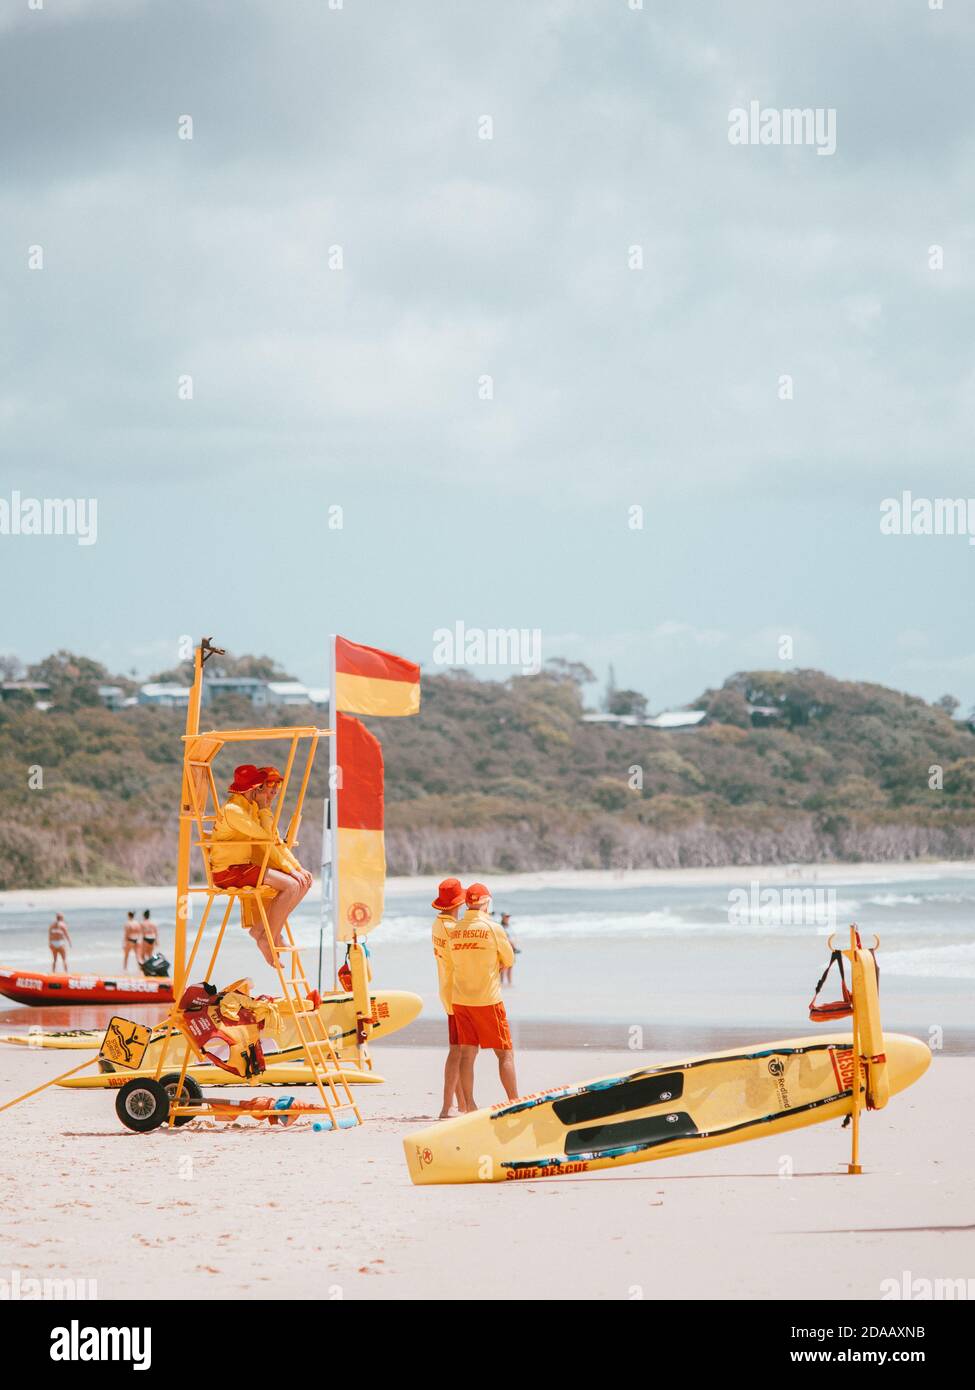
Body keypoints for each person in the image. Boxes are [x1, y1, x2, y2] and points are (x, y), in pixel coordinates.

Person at [208, 764, 312, 965]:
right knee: (292, 885)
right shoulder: (235, 809)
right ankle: (266, 937)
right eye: (264, 785)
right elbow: (266, 839)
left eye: (274, 786)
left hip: (241, 867)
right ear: (254, 788)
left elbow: (273, 843)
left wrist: (296, 867)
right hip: (229, 871)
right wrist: (265, 809)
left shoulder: (247, 807)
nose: (268, 790)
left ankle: (263, 932)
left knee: (301, 883)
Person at [445, 882, 518, 1108]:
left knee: (468, 1054)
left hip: (460, 1000)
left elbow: (451, 962)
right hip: (487, 999)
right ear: (486, 903)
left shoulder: (454, 929)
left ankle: (469, 1105)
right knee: (505, 1054)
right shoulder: (493, 928)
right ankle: (514, 1102)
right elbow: (510, 959)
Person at [430, 877, 468, 1118]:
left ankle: (461, 1104)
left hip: (447, 990)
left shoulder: (438, 924)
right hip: (457, 993)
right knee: (457, 1051)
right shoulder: (453, 929)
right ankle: (447, 1107)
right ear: (458, 903)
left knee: (460, 1050)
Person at [499, 912, 519, 986]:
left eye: (508, 916)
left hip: (512, 949)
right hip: (506, 949)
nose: (507, 918)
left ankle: (509, 983)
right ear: (502, 917)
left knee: (511, 966)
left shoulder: (509, 926)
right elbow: (505, 938)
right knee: (503, 967)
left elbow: (512, 937)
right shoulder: (501, 927)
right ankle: (501, 983)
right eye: (506, 916)